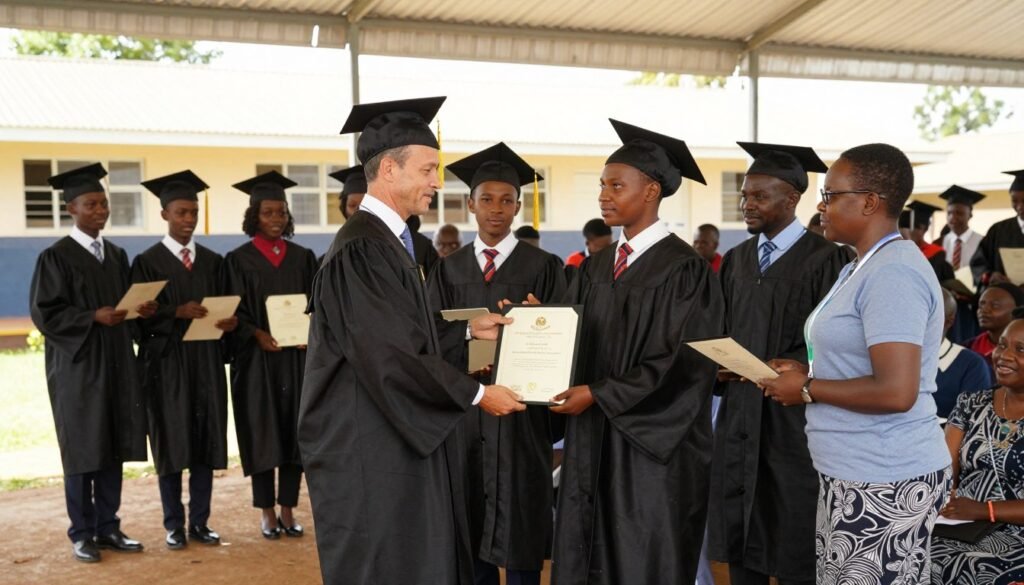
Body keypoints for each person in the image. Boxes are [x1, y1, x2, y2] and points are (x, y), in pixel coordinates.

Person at [297, 97, 525, 585]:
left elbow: (398, 330)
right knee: (389, 566)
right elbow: (390, 355)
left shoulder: (388, 242)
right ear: (388, 169)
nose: (437, 182)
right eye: (427, 169)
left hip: (386, 438)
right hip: (367, 448)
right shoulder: (363, 248)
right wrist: (479, 394)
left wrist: (467, 328)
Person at [759, 143, 951, 585]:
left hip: (884, 476)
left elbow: (896, 391)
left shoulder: (893, 274)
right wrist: (803, 373)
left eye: (830, 195)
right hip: (852, 471)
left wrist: (808, 388)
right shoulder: (862, 265)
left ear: (869, 201)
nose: (821, 206)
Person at [550, 119, 724, 585]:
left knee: (641, 559)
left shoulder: (686, 270)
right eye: (601, 186)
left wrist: (600, 394)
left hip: (650, 454)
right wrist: (535, 331)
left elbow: (682, 366)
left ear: (650, 190)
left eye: (615, 186)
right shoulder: (596, 267)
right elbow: (578, 340)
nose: (604, 196)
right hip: (591, 443)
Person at [707, 142, 851, 585]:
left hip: (793, 423)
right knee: (740, 536)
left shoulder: (828, 258)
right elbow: (720, 329)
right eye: (745, 195)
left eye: (759, 196)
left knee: (793, 536)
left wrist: (793, 366)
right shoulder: (736, 260)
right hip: (738, 418)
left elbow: (836, 345)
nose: (747, 204)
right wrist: (716, 365)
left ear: (791, 200)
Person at [430, 142, 567, 585]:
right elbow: (429, 339)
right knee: (470, 522)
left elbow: (566, 340)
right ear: (469, 203)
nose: (496, 209)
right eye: (486, 199)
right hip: (466, 412)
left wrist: (542, 319)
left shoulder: (545, 266)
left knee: (523, 520)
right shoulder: (446, 270)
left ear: (518, 205)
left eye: (506, 199)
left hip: (521, 416)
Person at [29, 163, 154, 563]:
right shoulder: (56, 257)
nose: (100, 210)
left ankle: (108, 526)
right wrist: (90, 317)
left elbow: (122, 309)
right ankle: (81, 532)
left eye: (104, 203)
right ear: (72, 209)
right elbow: (45, 314)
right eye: (91, 204)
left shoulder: (116, 255)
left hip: (117, 363)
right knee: (83, 448)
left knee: (113, 443)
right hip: (79, 368)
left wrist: (140, 310)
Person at [132, 170, 236, 549]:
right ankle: (173, 524)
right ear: (165, 215)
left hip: (206, 360)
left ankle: (201, 523)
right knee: (172, 443)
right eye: (181, 212)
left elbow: (227, 306)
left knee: (205, 441)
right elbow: (136, 320)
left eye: (193, 211)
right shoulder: (146, 262)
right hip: (166, 364)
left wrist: (231, 321)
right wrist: (174, 312)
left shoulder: (213, 261)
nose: (188, 218)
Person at [224, 170, 319, 540]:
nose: (276, 219)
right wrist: (256, 333)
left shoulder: (303, 257)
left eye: (281, 212)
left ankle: (288, 509)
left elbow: (313, 307)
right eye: (268, 213)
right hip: (257, 363)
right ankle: (266, 511)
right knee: (262, 433)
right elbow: (234, 312)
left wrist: (307, 333)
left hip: (294, 360)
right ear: (254, 216)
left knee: (294, 432)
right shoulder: (237, 260)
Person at [931, 317, 1024, 584]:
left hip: (1012, 531)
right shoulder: (972, 404)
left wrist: (986, 510)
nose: (1004, 356)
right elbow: (944, 472)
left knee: (971, 567)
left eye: (1021, 350)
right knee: (907, 551)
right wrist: (943, 496)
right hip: (961, 523)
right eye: (1003, 345)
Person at [933, 288, 992, 420]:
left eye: (928, 313)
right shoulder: (892, 355)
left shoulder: (971, 365)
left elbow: (971, 421)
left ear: (948, 321)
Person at [939, 186, 986, 343]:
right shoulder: (939, 243)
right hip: (944, 305)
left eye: (959, 213)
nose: (953, 218)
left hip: (970, 307)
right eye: (950, 213)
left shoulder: (983, 242)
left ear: (970, 214)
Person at [970, 170, 1024, 286]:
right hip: (1005, 299)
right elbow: (978, 263)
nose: (1020, 206)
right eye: (1014, 201)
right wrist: (990, 276)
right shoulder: (998, 230)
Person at [966, 282, 1024, 367]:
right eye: (981, 304)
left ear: (1016, 309)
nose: (984, 310)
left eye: (995, 305)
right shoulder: (967, 347)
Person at [900, 200, 955, 282]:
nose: (902, 234)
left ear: (923, 229)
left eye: (916, 228)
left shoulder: (936, 254)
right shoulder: (898, 252)